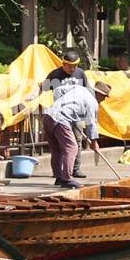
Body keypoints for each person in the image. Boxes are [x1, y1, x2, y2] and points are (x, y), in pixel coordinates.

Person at [43, 81, 111, 189]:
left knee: (57, 149)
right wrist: (94, 142)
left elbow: (58, 90)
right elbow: (91, 124)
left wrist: (60, 106)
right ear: (100, 94)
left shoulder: (78, 88)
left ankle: (59, 177)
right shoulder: (92, 102)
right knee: (72, 148)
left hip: (48, 115)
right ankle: (67, 179)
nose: (104, 100)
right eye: (105, 97)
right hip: (60, 119)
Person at [38, 49, 90, 178]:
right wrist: (31, 99)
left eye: (75, 66)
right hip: (60, 116)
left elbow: (87, 91)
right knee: (61, 145)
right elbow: (42, 88)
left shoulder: (80, 74)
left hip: (76, 114)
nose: (73, 69)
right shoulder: (55, 74)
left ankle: (75, 169)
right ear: (64, 64)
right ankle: (60, 173)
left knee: (77, 141)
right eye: (70, 66)